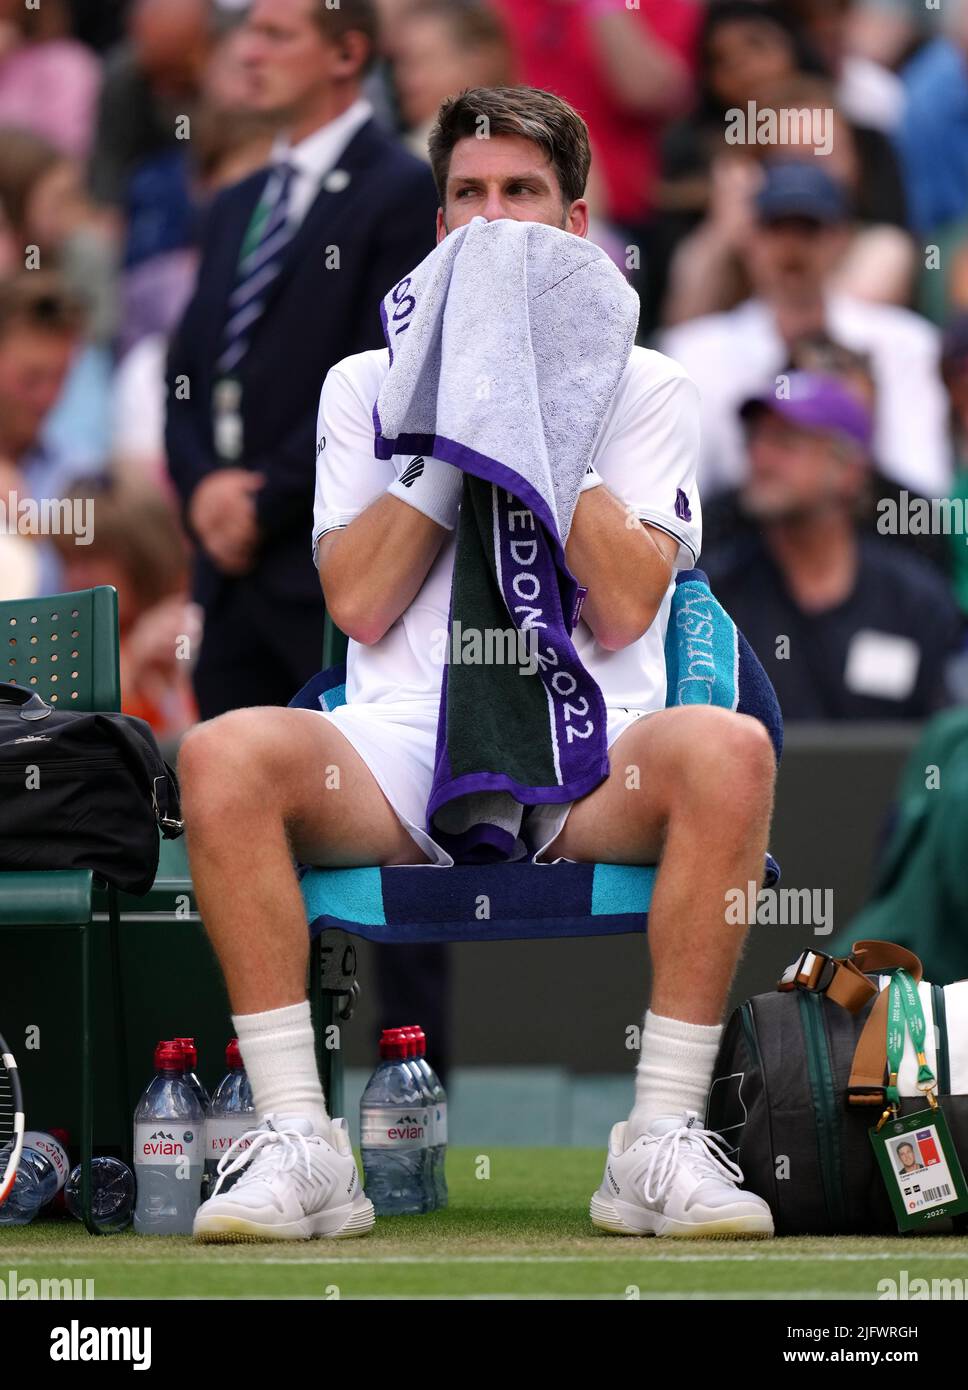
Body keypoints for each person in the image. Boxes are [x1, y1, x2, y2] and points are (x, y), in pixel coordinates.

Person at [179, 83, 778, 1244]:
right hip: (398, 748)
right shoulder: (362, 384)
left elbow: (621, 605)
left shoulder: (649, 381)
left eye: (521, 195)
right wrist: (460, 421)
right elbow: (355, 598)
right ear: (439, 222)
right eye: (468, 195)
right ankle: (304, 1143)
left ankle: (652, 1142)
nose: (491, 220)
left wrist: (536, 410)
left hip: (597, 752)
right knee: (220, 754)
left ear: (574, 225)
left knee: (732, 747)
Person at [165, 0, 439, 716]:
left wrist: (263, 500)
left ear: (346, 55)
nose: (247, 52)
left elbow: (384, 370)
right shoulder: (235, 203)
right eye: (247, 32)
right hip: (226, 582)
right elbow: (188, 370)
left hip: (322, 571)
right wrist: (201, 488)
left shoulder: (404, 190)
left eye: (275, 35)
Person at [661, 160, 951, 499]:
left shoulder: (907, 343)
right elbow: (684, 499)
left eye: (808, 229)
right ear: (749, 237)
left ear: (842, 239)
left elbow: (924, 483)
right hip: (744, 533)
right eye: (776, 228)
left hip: (874, 531)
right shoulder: (693, 353)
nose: (791, 248)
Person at [702, 371, 963, 720]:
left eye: (785, 442)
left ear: (850, 470)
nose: (760, 457)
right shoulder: (715, 598)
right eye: (755, 438)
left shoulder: (914, 600)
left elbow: (945, 742)